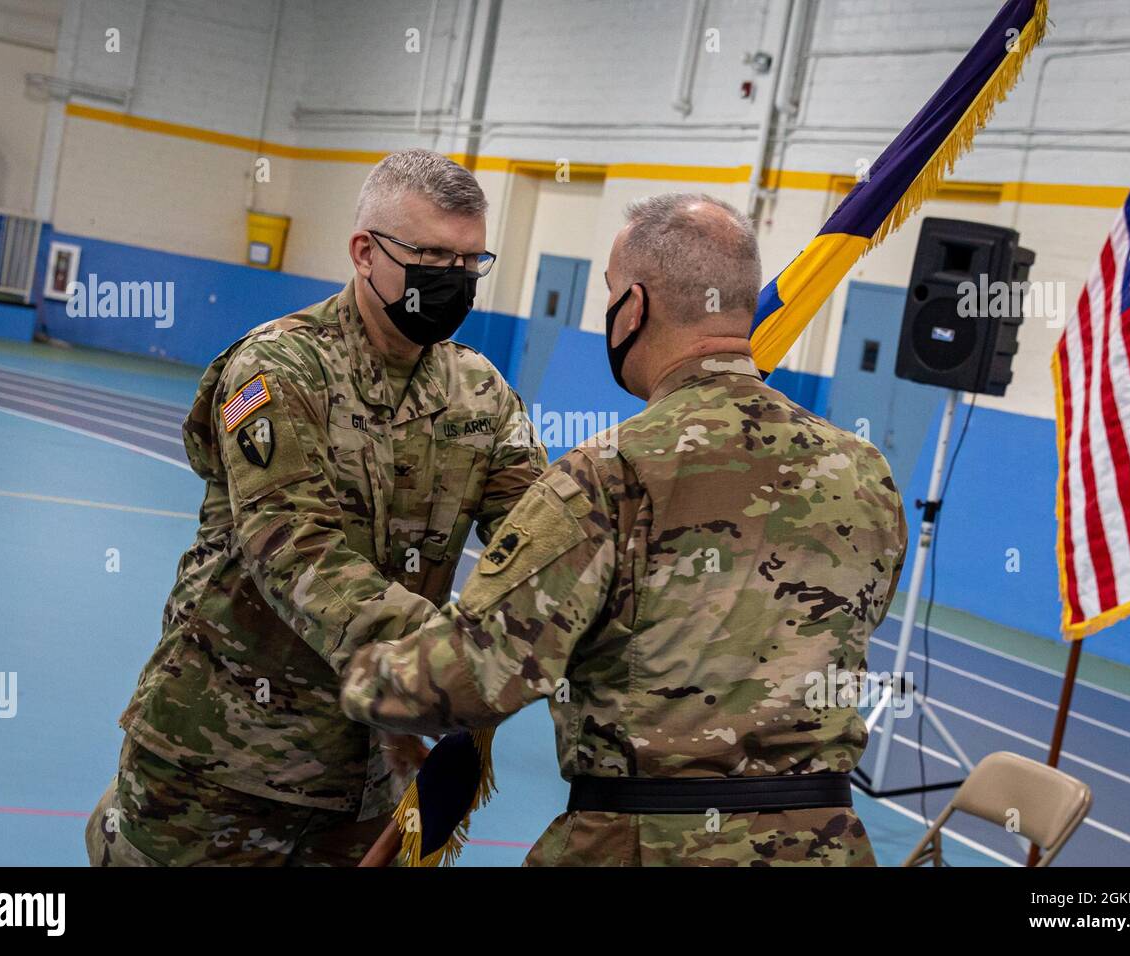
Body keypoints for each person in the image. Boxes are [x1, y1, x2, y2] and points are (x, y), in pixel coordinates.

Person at [334, 192, 908, 865]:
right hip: (824, 847)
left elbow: (480, 672)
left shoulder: (611, 474)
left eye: (609, 293)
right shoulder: (866, 472)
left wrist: (359, 673)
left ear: (632, 307)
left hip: (645, 843)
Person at [85, 148, 545, 866]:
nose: (453, 280)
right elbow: (294, 549)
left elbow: (536, 535)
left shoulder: (480, 393)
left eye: (470, 262)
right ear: (365, 252)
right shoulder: (278, 369)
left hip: (369, 773)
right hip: (221, 760)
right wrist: (456, 651)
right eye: (431, 255)